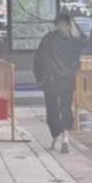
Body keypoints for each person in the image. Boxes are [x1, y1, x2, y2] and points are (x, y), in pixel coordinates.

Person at [34, 12, 86, 153]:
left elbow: (39, 59)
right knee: (65, 106)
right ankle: (66, 136)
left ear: (57, 24)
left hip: (51, 79)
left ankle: (56, 137)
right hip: (67, 79)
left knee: (52, 108)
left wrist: (41, 77)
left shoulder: (49, 39)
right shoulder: (74, 41)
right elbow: (83, 51)